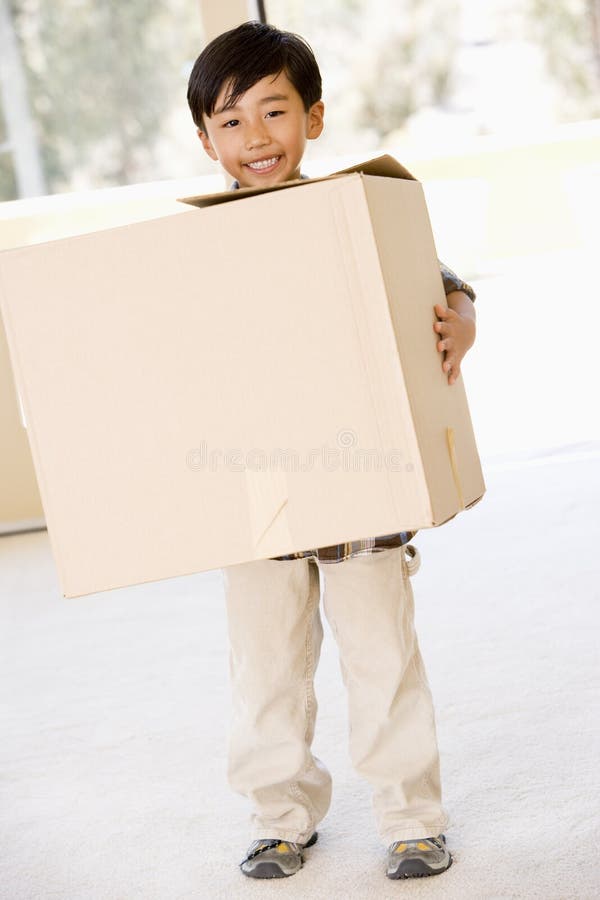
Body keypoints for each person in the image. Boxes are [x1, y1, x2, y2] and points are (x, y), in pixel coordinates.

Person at [186, 21, 476, 881]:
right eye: (230, 122)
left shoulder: (357, 212)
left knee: (381, 654)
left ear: (313, 119)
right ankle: (280, 814)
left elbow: (443, 282)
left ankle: (411, 815)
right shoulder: (196, 248)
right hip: (254, 493)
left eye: (273, 112)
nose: (255, 137)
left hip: (361, 478)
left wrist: (461, 321)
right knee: (266, 666)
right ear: (204, 140)